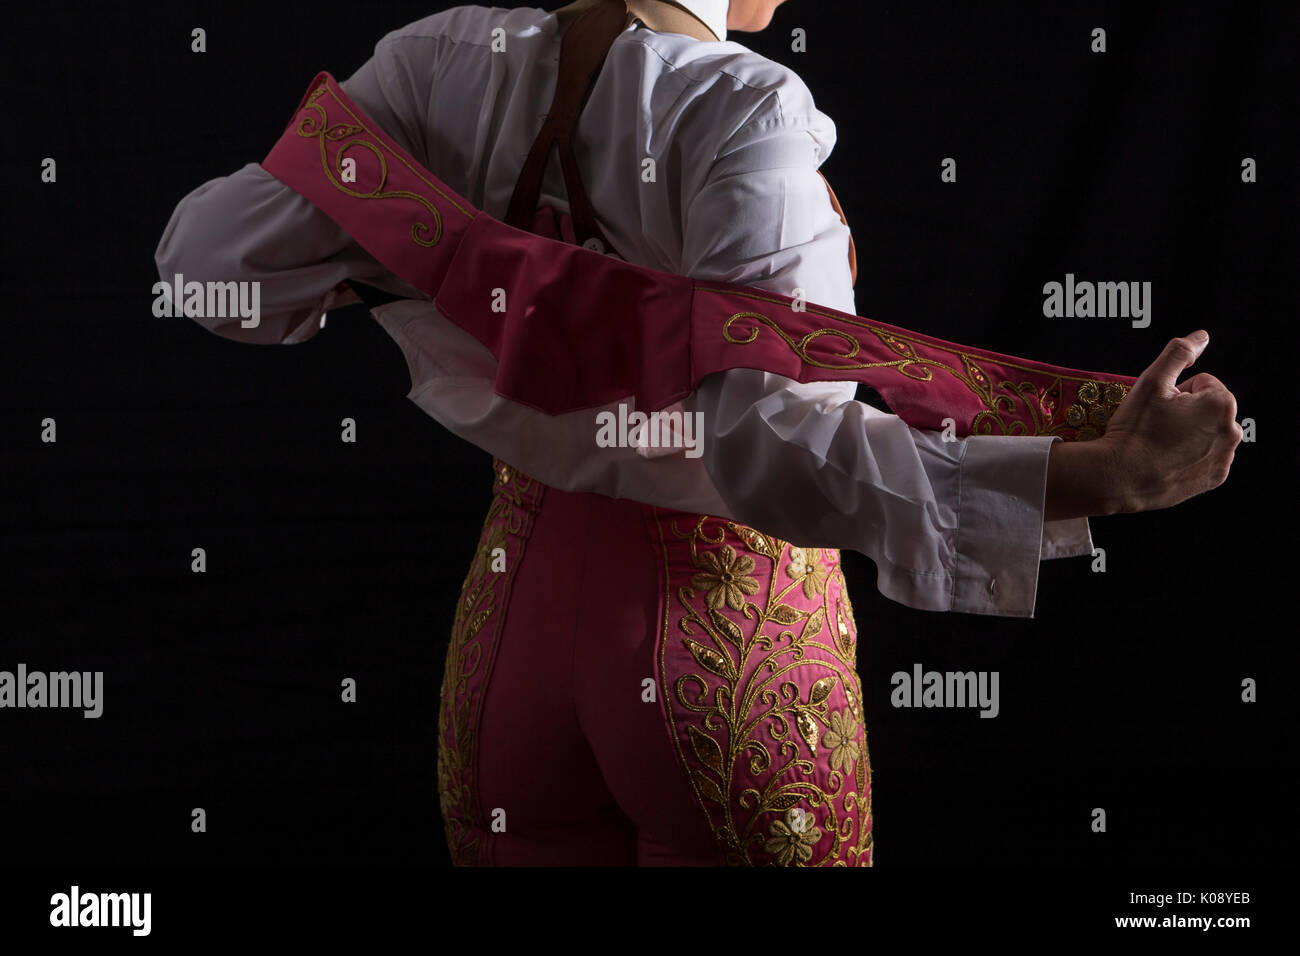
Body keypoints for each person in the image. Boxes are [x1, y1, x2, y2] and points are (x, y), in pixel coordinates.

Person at [155, 0, 1241, 865]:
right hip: (723, 640)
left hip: (514, 627)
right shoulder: (743, 107)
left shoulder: (439, 60)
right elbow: (772, 448)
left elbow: (204, 265)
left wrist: (406, 248)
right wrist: (1094, 479)